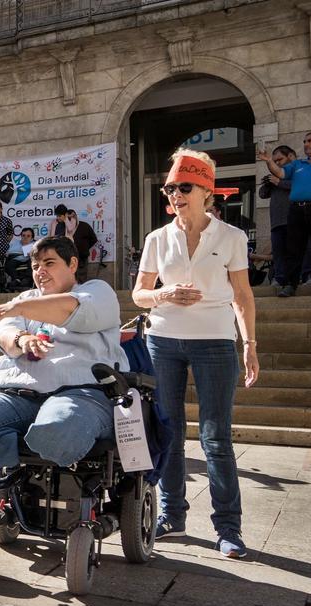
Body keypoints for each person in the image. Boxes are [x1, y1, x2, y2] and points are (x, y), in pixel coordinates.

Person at [133, 148, 259, 559]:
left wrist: (250, 345)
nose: (175, 194)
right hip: (163, 342)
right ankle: (173, 515)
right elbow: (138, 295)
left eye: (184, 187)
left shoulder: (231, 237)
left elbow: (242, 296)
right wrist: (163, 294)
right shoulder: (157, 238)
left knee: (216, 437)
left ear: (207, 191)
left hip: (216, 342)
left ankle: (228, 528)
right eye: (170, 188)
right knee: (169, 431)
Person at [0, 236, 127, 468]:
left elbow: (72, 310)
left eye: (49, 263)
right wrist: (22, 339)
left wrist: (16, 308)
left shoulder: (98, 291)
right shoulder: (26, 298)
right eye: (36, 266)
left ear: (73, 264)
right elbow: (4, 334)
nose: (40, 272)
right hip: (19, 395)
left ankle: (45, 443)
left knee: (55, 431)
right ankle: (22, 464)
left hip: (80, 394)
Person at [258, 131, 311, 297]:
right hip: (297, 210)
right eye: (304, 141)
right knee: (294, 249)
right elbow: (280, 173)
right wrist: (269, 161)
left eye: (310, 141)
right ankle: (290, 284)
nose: (306, 144)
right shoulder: (298, 164)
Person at [257, 145, 311, 288]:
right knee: (279, 253)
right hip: (277, 221)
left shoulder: (302, 170)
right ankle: (280, 278)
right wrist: (268, 183)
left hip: (299, 218)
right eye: (275, 161)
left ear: (291, 156)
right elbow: (262, 194)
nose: (277, 163)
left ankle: (308, 276)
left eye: (280, 160)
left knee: (305, 250)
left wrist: (279, 182)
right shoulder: (276, 175)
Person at [55, 209, 98, 283]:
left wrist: (84, 248)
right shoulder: (61, 227)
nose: (71, 219)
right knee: (68, 278)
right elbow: (57, 240)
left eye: (73, 216)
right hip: (66, 258)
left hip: (81, 257)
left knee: (81, 278)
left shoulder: (84, 226)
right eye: (69, 217)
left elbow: (93, 239)